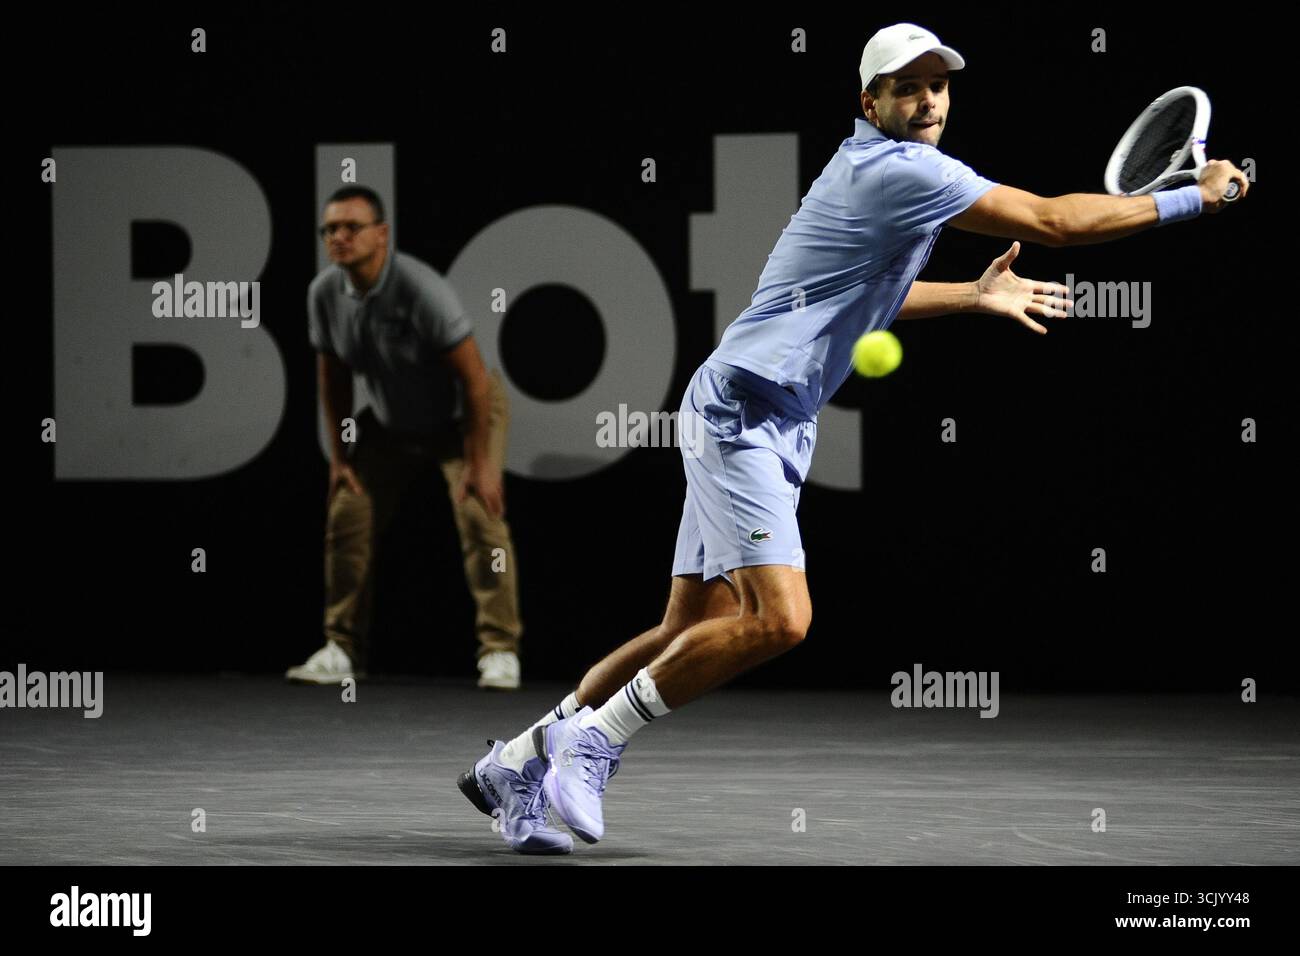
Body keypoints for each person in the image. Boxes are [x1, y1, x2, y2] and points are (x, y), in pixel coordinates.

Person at [457, 23, 1250, 853]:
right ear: (869, 103)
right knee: (782, 620)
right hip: (740, 414)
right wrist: (1204, 196)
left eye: (938, 83)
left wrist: (971, 299)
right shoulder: (903, 171)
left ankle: (515, 762)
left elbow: (867, 298)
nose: (928, 98)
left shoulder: (870, 175)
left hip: (746, 408)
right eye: (907, 87)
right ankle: (591, 742)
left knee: (683, 630)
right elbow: (1057, 221)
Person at [288, 186, 526, 690]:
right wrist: (338, 458)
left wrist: (480, 461)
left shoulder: (421, 289)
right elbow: (332, 378)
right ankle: (341, 649)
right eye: (330, 229)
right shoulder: (323, 294)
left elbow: (474, 380)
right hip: (392, 425)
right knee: (347, 512)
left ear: (381, 234)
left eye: (351, 226)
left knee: (479, 514)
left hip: (464, 418)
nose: (339, 237)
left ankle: (500, 651)